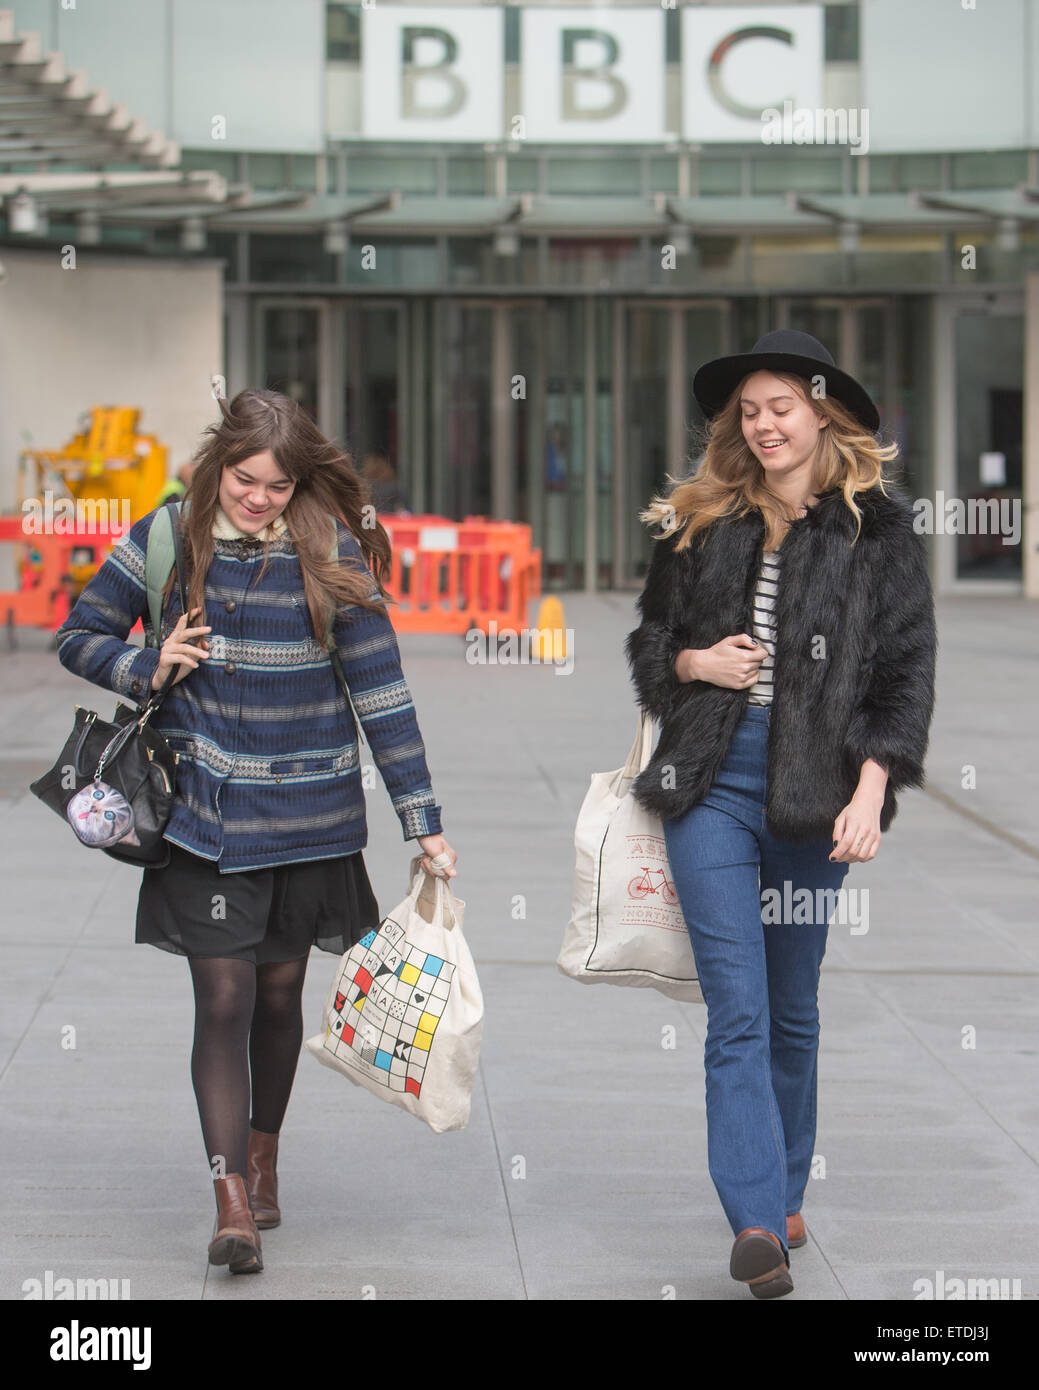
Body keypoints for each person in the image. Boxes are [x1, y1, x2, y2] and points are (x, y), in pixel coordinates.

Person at [54, 389, 457, 1276]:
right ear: (218, 463)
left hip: (310, 821)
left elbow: (381, 691)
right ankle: (230, 1194)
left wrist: (420, 821)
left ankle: (264, 1156)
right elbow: (77, 634)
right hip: (201, 820)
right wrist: (146, 662)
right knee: (224, 999)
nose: (258, 498)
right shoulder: (167, 537)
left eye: (277, 485)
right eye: (245, 479)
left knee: (277, 999)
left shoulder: (330, 549)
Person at [625, 330, 936, 1300]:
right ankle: (757, 1220)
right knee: (738, 1007)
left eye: (780, 408)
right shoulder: (701, 519)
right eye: (749, 412)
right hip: (710, 782)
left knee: (792, 1006)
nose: (762, 425)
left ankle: (786, 1186)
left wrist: (871, 792)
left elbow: (903, 673)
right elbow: (650, 642)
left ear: (821, 416)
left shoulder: (876, 532)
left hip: (816, 792)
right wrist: (694, 663)